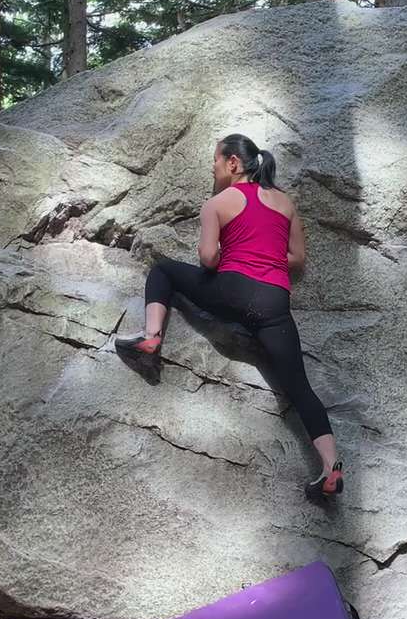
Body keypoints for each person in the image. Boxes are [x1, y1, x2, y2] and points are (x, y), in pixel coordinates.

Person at [115, 134, 344, 497]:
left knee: (163, 271)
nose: (213, 167)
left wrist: (237, 252)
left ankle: (151, 338)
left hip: (231, 290)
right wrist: (265, 254)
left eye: (216, 160)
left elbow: (208, 259)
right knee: (300, 387)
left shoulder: (218, 203)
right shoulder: (285, 203)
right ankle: (331, 467)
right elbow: (297, 259)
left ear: (233, 163)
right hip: (274, 303)